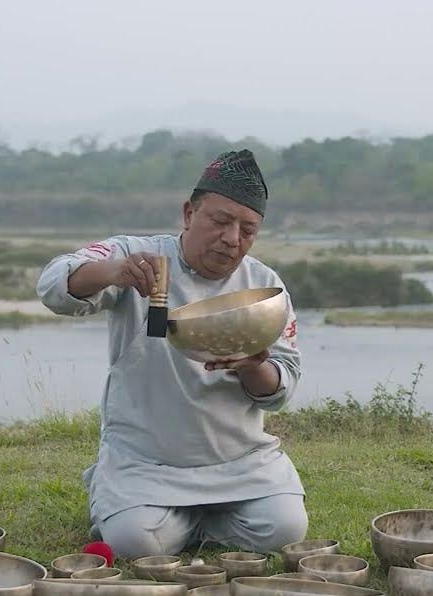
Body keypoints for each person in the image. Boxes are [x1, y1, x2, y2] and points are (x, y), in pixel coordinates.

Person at [36, 149, 307, 559]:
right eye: (220, 221)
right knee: (135, 542)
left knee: (286, 530)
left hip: (240, 463)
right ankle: (146, 510)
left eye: (247, 230)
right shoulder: (137, 255)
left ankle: (187, 525)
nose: (232, 238)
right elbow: (53, 285)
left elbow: (281, 387)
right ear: (188, 213)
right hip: (147, 463)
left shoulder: (265, 287)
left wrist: (253, 367)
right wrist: (115, 272)